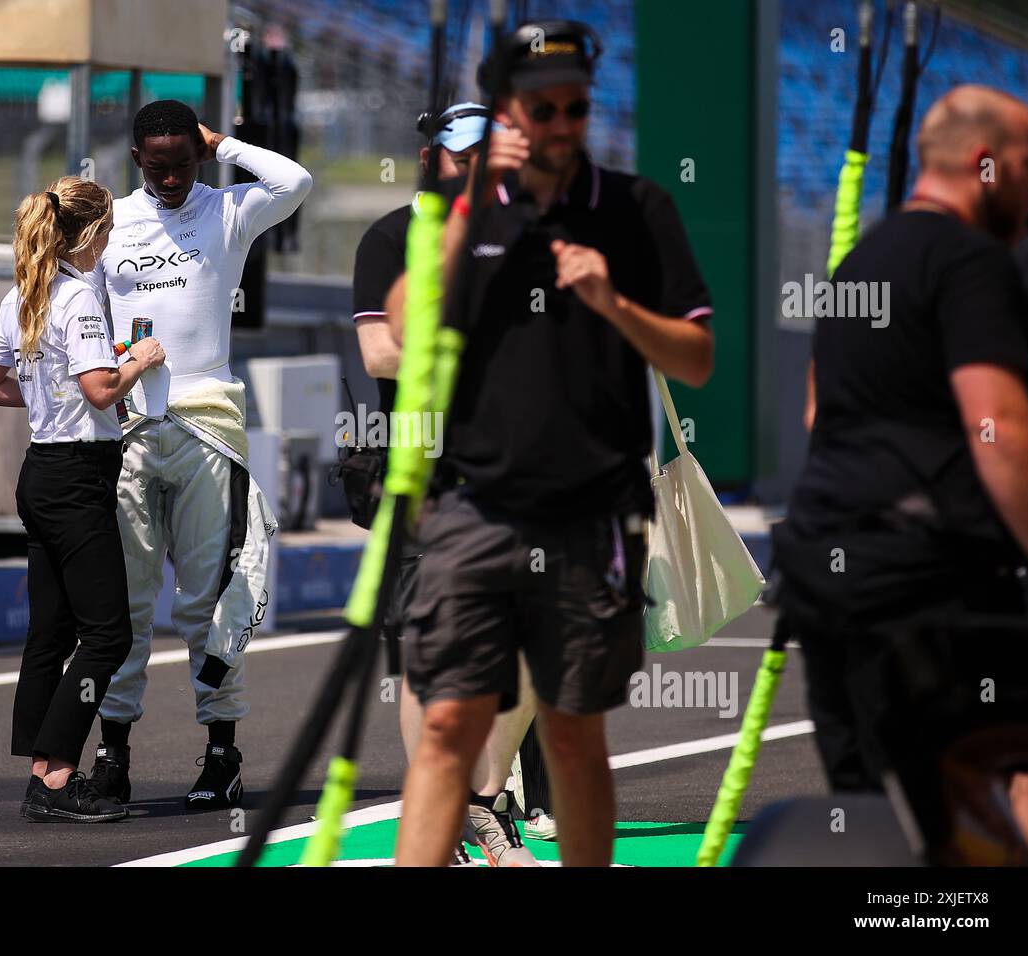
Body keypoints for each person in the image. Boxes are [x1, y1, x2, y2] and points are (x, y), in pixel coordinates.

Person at [388, 21, 716, 867]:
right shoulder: (467, 214)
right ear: (509, 115)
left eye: (576, 105)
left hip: (593, 515)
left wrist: (615, 304)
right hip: (470, 508)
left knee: (572, 734)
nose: (562, 122)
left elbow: (699, 358)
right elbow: (404, 327)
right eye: (543, 107)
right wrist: (467, 212)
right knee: (448, 726)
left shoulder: (637, 209)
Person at [773, 86, 1028, 856]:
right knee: (964, 819)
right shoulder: (970, 262)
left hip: (830, 581)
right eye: (1027, 165)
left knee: (875, 826)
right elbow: (1000, 430)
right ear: (984, 165)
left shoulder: (862, 260)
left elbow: (818, 417)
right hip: (925, 590)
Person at [87, 99, 312, 810]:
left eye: (184, 163)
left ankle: (222, 754)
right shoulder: (110, 223)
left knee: (208, 603)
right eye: (159, 168)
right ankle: (112, 756)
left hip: (210, 425)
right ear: (136, 162)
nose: (174, 179)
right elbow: (82, 320)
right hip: (125, 435)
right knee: (123, 609)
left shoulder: (227, 209)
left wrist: (225, 146)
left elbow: (296, 183)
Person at [351, 101, 547, 867]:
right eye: (465, 156)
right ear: (432, 158)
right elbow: (379, 354)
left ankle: (481, 801)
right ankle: (454, 812)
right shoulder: (393, 238)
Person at [0, 176, 167, 822]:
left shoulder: (25, 294)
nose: (109, 243)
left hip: (42, 473)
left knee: (50, 632)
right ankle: (55, 776)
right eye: (106, 232)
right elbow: (102, 390)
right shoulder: (79, 298)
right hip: (78, 478)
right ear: (90, 236)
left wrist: (50, 396)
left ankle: (42, 770)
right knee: (108, 633)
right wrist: (138, 359)